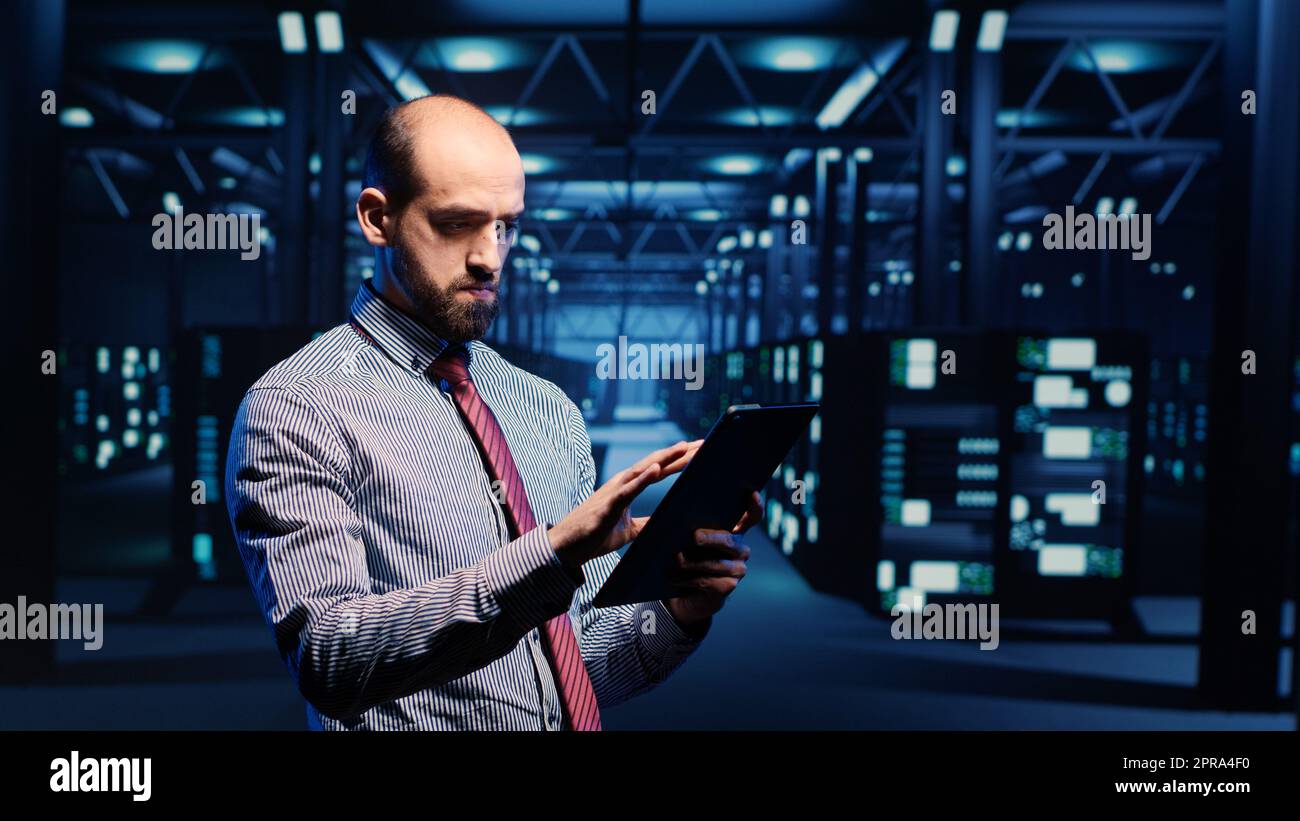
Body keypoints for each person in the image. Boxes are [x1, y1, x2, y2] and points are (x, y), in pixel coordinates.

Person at [224, 94, 761, 730]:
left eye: (505, 226)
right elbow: (331, 662)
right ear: (377, 218)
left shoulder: (545, 410)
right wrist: (553, 552)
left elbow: (568, 670)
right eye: (457, 225)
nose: (489, 258)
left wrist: (679, 608)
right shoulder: (298, 408)